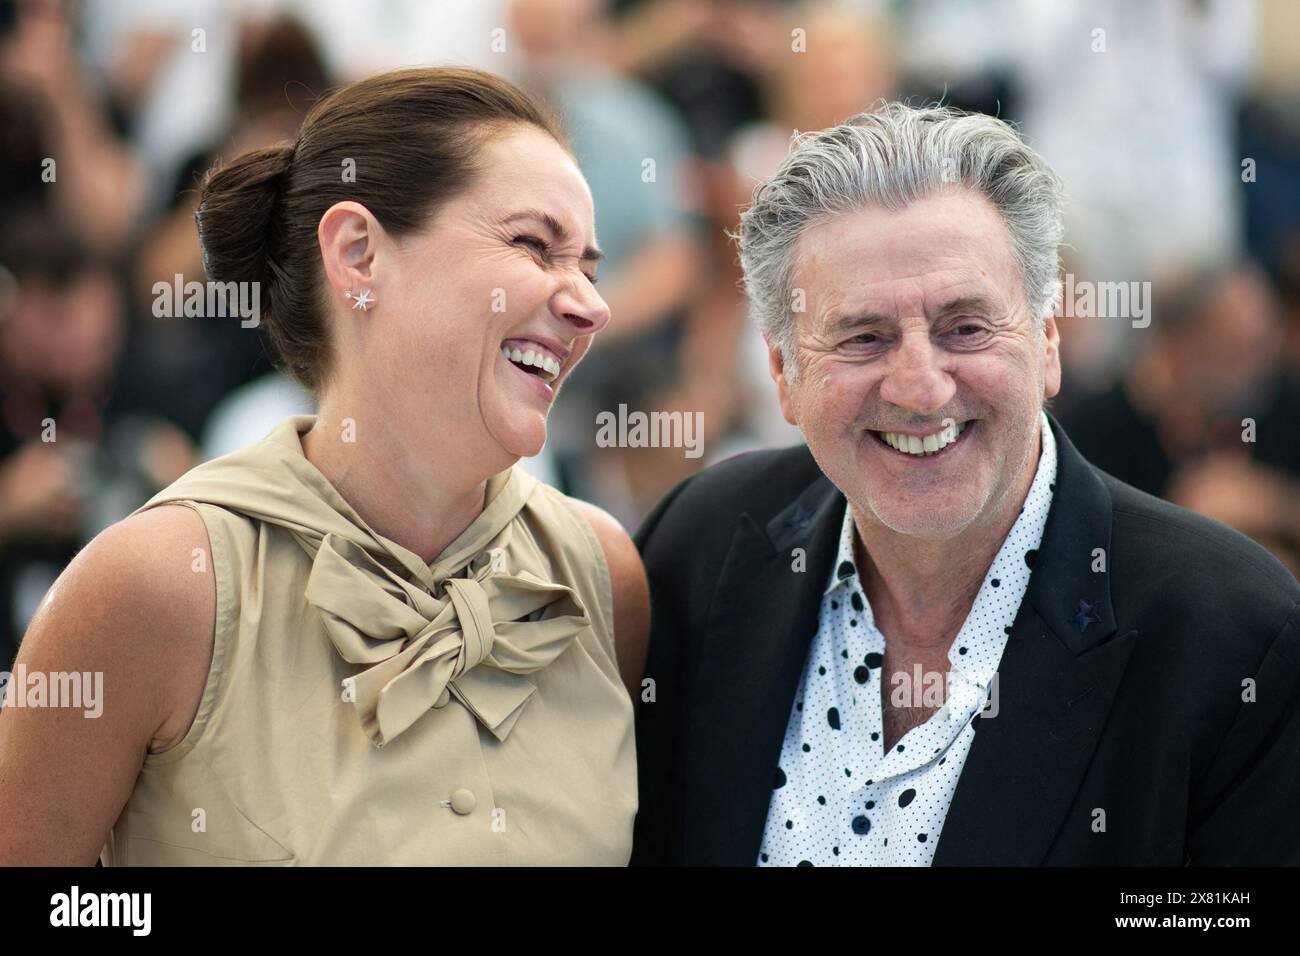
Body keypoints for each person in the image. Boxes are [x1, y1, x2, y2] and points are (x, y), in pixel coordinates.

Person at [0, 67, 648, 865]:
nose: (591, 303)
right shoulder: (156, 587)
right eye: (532, 244)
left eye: (588, 264)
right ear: (358, 254)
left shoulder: (603, 574)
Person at [631, 103, 1300, 866]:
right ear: (784, 373)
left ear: (1048, 340)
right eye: (863, 337)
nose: (920, 388)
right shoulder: (702, 545)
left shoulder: (1236, 634)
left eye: (966, 328)